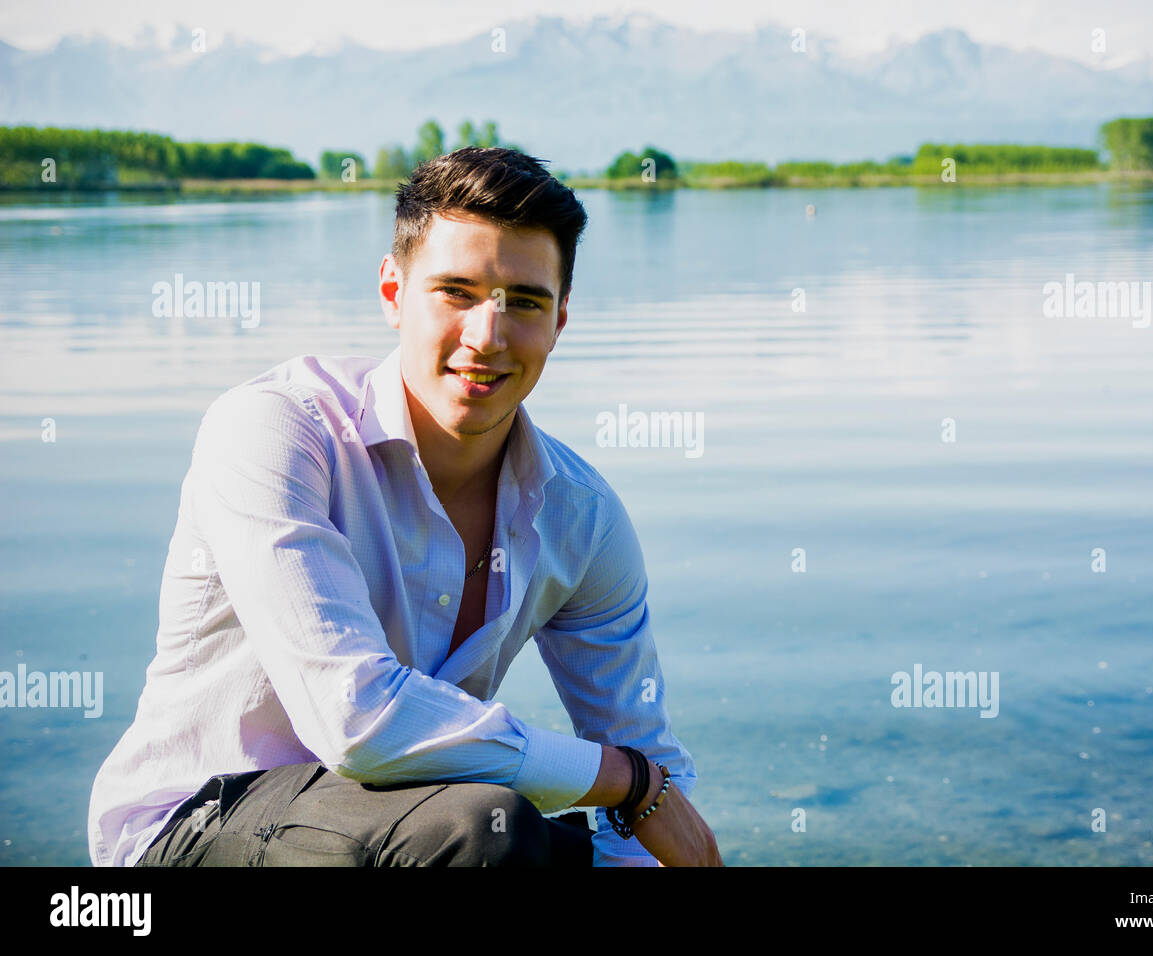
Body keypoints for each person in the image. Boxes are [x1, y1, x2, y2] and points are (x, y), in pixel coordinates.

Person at [87, 147, 723, 867]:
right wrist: (617, 779)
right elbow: (355, 718)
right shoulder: (276, 432)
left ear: (561, 318)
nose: (487, 337)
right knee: (483, 828)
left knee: (527, 843)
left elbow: (655, 774)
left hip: (419, 825)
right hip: (197, 825)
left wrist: (632, 821)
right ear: (393, 294)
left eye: (525, 300)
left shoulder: (581, 516)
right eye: (456, 291)